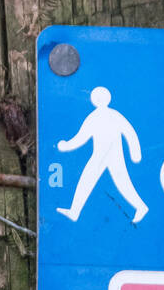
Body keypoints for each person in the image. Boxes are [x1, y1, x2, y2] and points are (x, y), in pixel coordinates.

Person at [56, 86, 149, 223]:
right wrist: (66, 146)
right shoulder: (94, 117)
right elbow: (81, 136)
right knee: (90, 180)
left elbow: (129, 132)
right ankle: (74, 211)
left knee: (121, 183)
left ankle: (141, 207)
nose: (99, 100)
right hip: (100, 155)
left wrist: (135, 152)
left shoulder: (112, 115)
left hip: (112, 154)